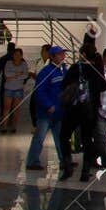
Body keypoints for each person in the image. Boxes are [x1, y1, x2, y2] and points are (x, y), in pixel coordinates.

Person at [62, 49, 106, 182]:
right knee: (87, 140)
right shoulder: (96, 70)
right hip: (89, 111)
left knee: (64, 137)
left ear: (83, 55)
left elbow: (64, 84)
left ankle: (67, 167)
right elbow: (103, 87)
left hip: (73, 110)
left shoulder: (75, 68)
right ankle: (85, 172)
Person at [26, 46, 72, 176]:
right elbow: (39, 92)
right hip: (46, 113)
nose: (63, 56)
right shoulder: (45, 72)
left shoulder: (63, 71)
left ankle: (64, 161)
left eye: (63, 54)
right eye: (60, 54)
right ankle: (32, 161)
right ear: (52, 57)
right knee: (39, 137)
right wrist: (48, 105)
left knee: (60, 138)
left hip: (59, 112)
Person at [0, 45, 30, 133]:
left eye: (18, 54)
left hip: (18, 89)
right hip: (8, 88)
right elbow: (6, 75)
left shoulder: (24, 64)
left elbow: (25, 75)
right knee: (6, 109)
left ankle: (14, 127)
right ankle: (4, 126)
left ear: (21, 55)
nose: (16, 56)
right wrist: (18, 74)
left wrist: (13, 75)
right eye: (15, 54)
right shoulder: (8, 63)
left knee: (15, 109)